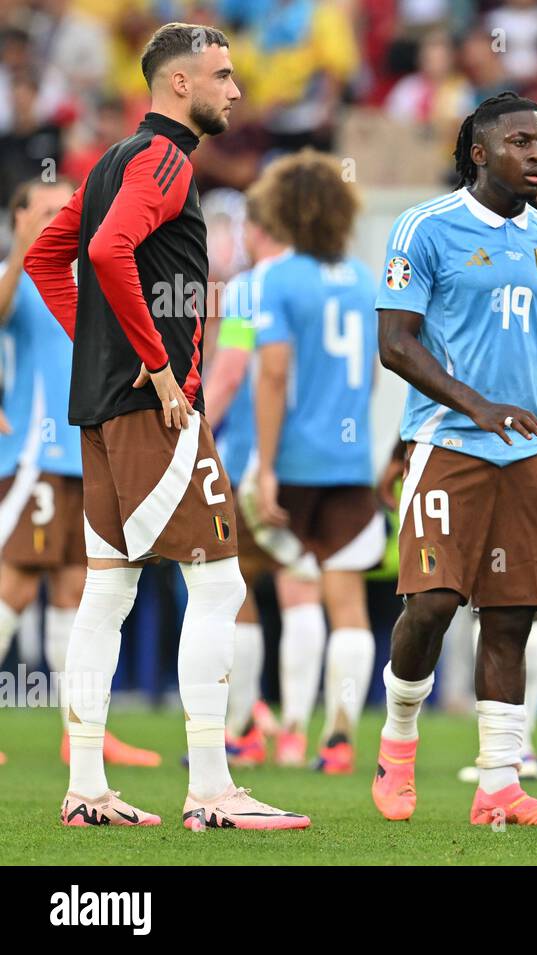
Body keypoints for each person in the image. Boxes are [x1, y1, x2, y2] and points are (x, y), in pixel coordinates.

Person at [23, 22, 306, 829]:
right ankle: (213, 789)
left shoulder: (112, 160)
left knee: (107, 593)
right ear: (179, 84)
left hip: (103, 408)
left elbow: (52, 255)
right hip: (157, 405)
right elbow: (109, 251)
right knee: (219, 581)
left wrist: (101, 345)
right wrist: (148, 361)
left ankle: (85, 788)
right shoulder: (166, 161)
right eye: (222, 75)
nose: (237, 90)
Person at [370, 92, 537, 826]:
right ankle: (397, 743)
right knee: (432, 604)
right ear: (480, 153)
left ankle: (499, 785)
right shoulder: (425, 227)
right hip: (449, 443)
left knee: (515, 617)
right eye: (521, 142)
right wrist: (475, 403)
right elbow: (395, 344)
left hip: (532, 451)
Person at [0, 178, 159, 770]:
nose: (54, 219)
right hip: (33, 461)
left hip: (86, 451)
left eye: (60, 211)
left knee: (76, 591)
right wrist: (20, 250)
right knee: (14, 585)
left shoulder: (86, 275)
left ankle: (82, 730)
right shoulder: (19, 274)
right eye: (41, 210)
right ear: (17, 219)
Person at [247, 150, 383, 775]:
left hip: (295, 462)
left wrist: (267, 464)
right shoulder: (362, 278)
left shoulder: (278, 279)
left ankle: (292, 729)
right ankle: (341, 739)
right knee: (347, 603)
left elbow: (272, 375)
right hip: (351, 462)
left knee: (295, 590)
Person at [202, 180, 294, 765]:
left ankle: (243, 726)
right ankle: (306, 733)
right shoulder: (329, 281)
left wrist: (195, 434)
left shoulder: (247, 291)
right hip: (317, 458)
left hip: (248, 458)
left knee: (230, 586)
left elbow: (230, 375)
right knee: (307, 590)